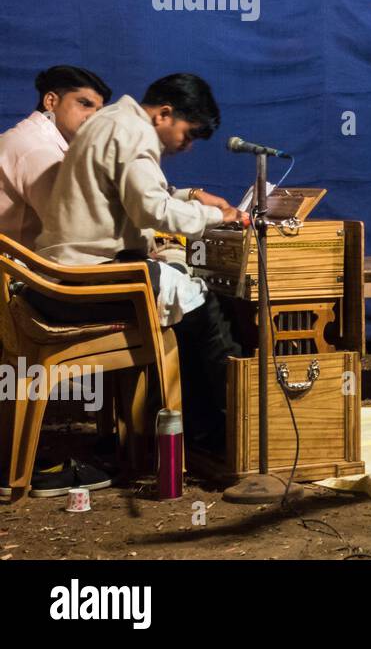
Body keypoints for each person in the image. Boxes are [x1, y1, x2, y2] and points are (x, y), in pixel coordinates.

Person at [36, 74, 246, 453]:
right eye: (189, 133)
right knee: (206, 304)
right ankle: (234, 432)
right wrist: (219, 217)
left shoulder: (112, 120)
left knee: (187, 310)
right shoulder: (135, 132)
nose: (187, 146)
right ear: (164, 113)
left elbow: (131, 192)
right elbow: (151, 210)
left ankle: (199, 431)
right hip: (89, 281)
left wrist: (194, 198)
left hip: (64, 274)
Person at [0, 66, 111, 248]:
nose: (93, 117)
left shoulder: (37, 137)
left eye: (98, 111)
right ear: (50, 101)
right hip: (23, 273)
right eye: (85, 104)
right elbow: (72, 230)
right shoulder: (36, 149)